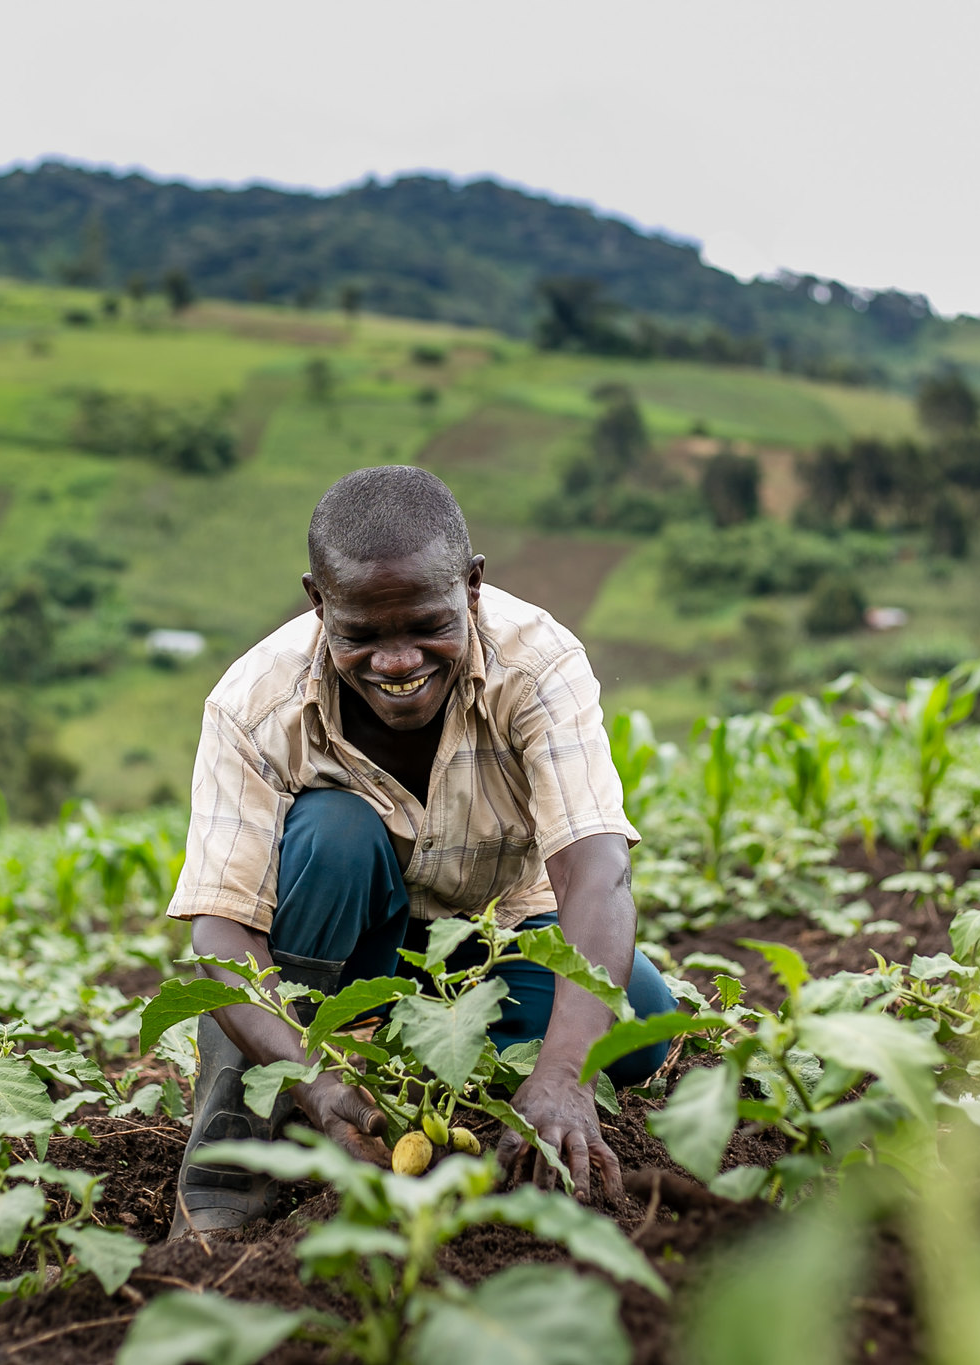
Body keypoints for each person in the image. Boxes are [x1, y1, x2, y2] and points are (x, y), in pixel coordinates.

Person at [167, 465, 674, 1236]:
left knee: (640, 1024)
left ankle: (417, 1081)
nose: (398, 661)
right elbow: (219, 932)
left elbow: (595, 869)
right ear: (317, 602)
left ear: (471, 587)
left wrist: (563, 1076)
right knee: (335, 832)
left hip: (492, 936)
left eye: (427, 626)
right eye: (362, 634)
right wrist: (314, 1082)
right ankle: (242, 1142)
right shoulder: (254, 703)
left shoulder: (537, 663)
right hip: (338, 960)